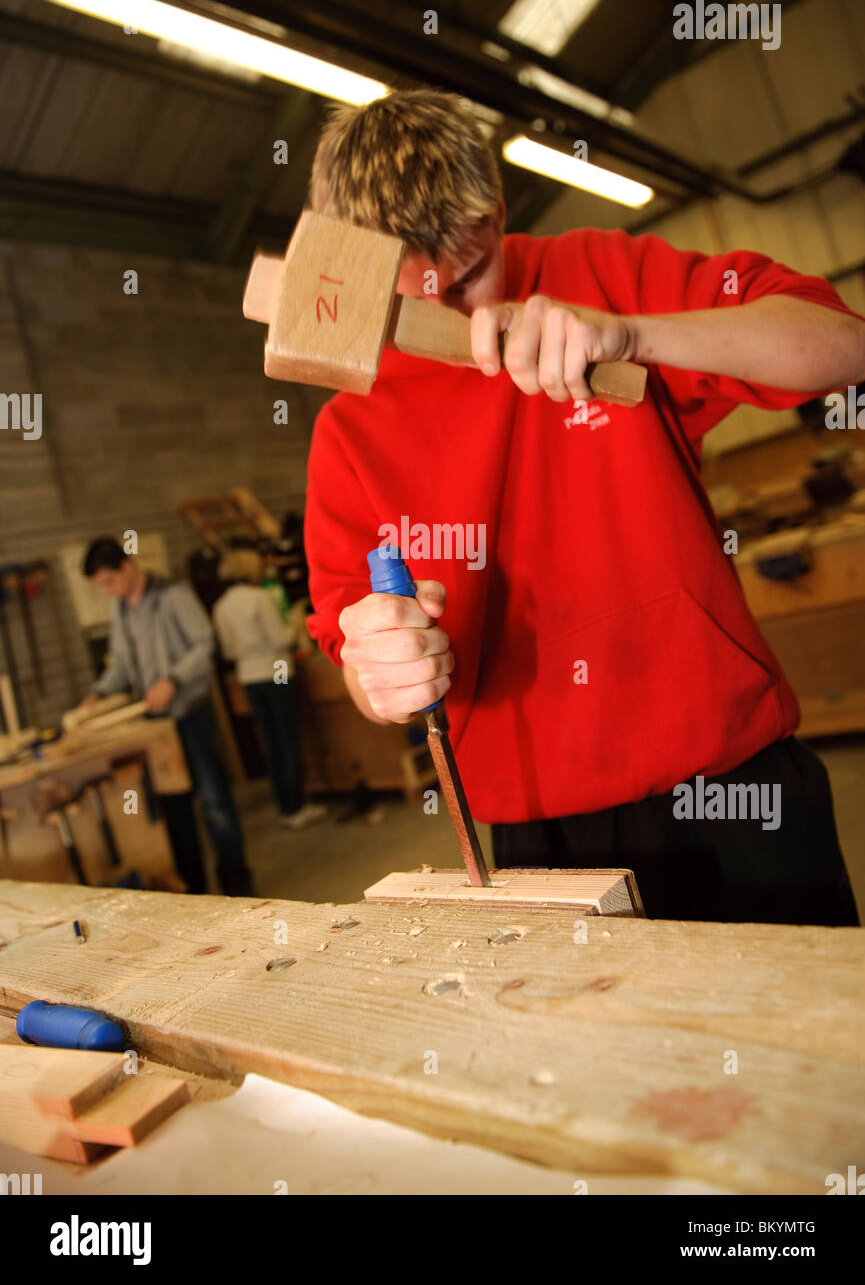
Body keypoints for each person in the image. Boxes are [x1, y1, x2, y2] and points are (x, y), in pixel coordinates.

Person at [302, 88, 865, 926]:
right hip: (539, 832)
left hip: (732, 778)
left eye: (466, 280)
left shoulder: (599, 272)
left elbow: (841, 346)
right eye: (410, 296)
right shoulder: (349, 426)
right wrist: (384, 670)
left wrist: (633, 335)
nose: (450, 319)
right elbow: (353, 648)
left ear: (496, 211)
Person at [77, 538, 252, 896]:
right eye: (101, 587)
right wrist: (98, 694)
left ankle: (238, 885)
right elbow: (123, 664)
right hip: (157, 729)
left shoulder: (174, 594)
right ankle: (195, 891)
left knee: (215, 801)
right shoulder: (121, 610)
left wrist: (174, 680)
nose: (108, 592)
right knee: (175, 810)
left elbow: (206, 645)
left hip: (191, 714)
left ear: (127, 567)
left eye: (109, 582)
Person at [213, 549, 326, 829]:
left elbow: (227, 650)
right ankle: (298, 806)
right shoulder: (259, 598)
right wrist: (297, 620)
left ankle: (285, 806)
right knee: (287, 737)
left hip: (248, 675)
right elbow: (281, 638)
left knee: (271, 742)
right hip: (274, 670)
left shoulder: (221, 605)